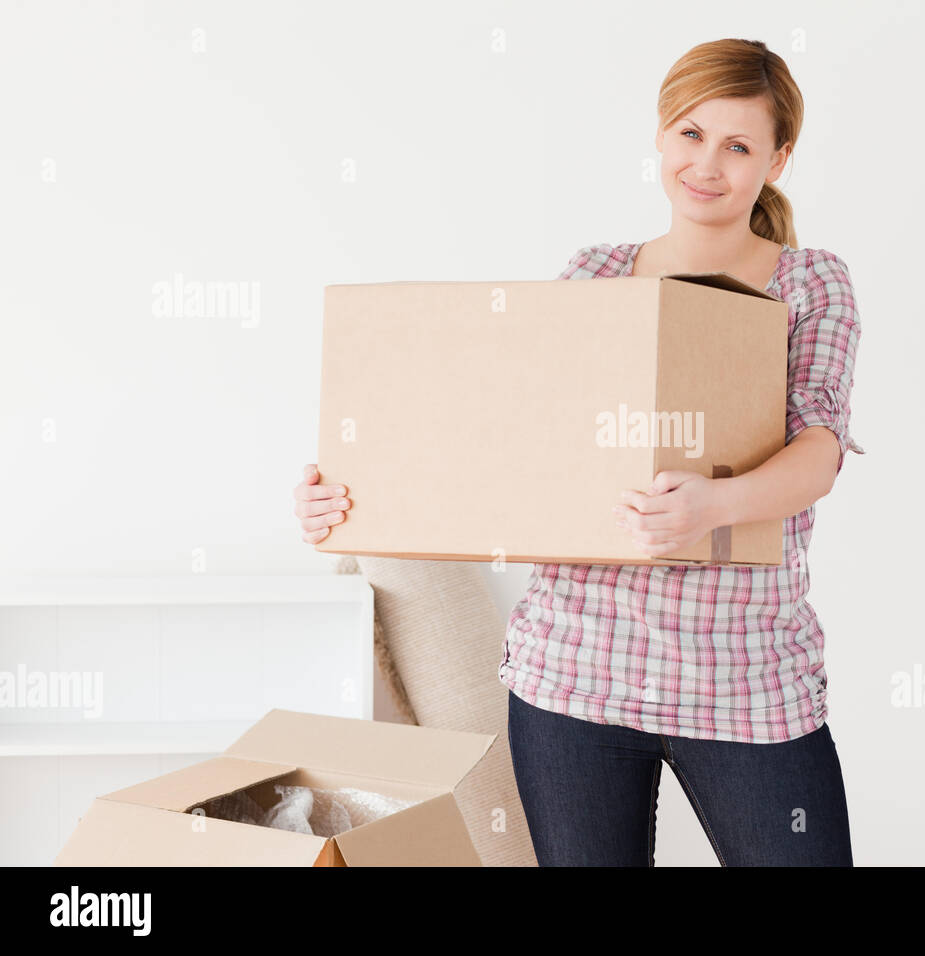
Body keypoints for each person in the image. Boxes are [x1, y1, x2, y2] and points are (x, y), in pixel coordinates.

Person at [294, 37, 863, 866]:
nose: (708, 164)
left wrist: (712, 506)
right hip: (577, 675)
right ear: (662, 137)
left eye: (739, 145)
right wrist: (352, 498)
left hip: (744, 676)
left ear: (778, 158)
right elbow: (514, 443)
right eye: (691, 134)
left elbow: (820, 452)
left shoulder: (810, 284)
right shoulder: (595, 274)